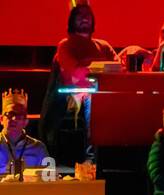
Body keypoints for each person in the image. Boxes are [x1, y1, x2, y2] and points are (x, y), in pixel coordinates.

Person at [45, 1, 115, 164]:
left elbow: (119, 69)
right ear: (72, 20)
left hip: (105, 94)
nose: (85, 18)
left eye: (87, 15)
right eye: (80, 15)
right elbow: (74, 74)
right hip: (75, 97)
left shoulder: (103, 46)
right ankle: (91, 157)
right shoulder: (65, 45)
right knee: (94, 98)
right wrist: (97, 69)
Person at [1, 89, 50, 177]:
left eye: (19, 116)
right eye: (10, 114)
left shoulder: (38, 148)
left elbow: (48, 181)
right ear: (1, 119)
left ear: (26, 122)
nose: (14, 119)